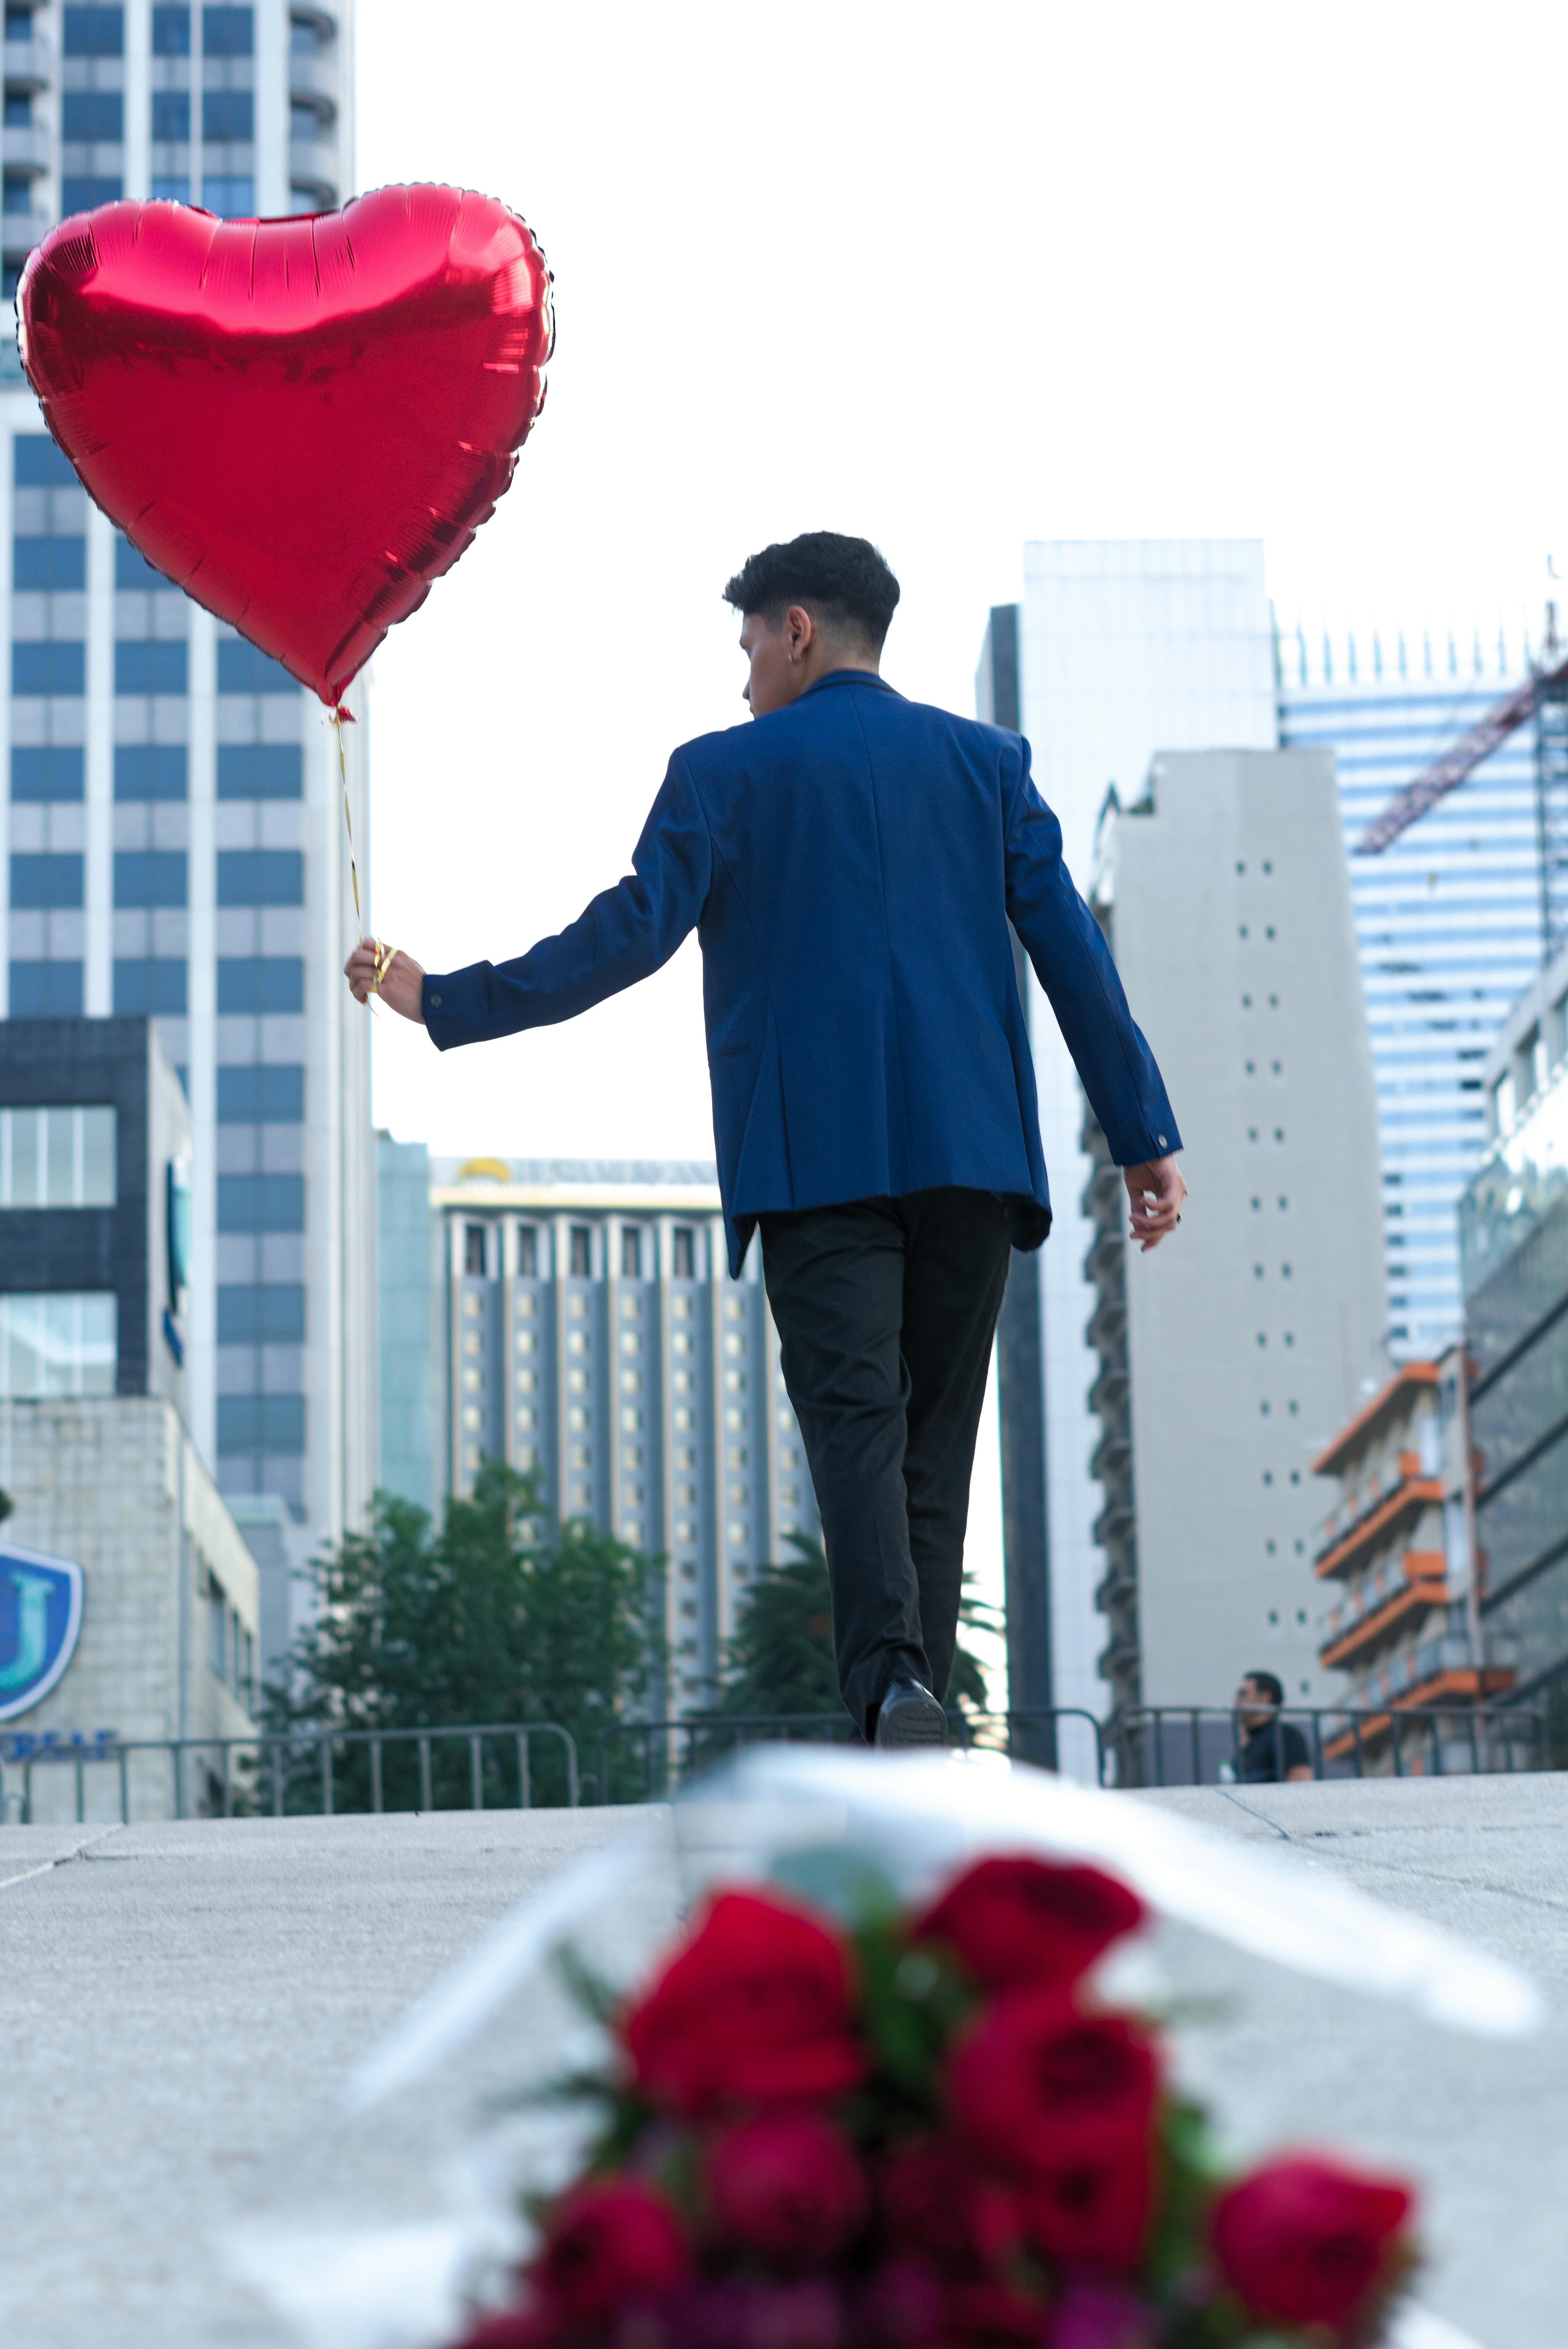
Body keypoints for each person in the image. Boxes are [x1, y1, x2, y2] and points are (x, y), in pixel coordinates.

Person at [347, 533, 1185, 1748]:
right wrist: (1140, 1130)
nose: (741, 681)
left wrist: (445, 998)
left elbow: (625, 937)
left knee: (856, 1421)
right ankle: (911, 1715)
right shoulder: (988, 765)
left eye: (747, 648)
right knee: (932, 1446)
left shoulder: (722, 773)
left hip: (814, 1161)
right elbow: (1073, 956)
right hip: (972, 1157)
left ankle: (892, 1690)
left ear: (797, 631)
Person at [1234, 1671, 1314, 1783]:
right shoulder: (1250, 1741)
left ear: (1265, 1698)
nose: (1237, 1699)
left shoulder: (1286, 1736)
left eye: (1243, 1693)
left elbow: (1301, 1782)